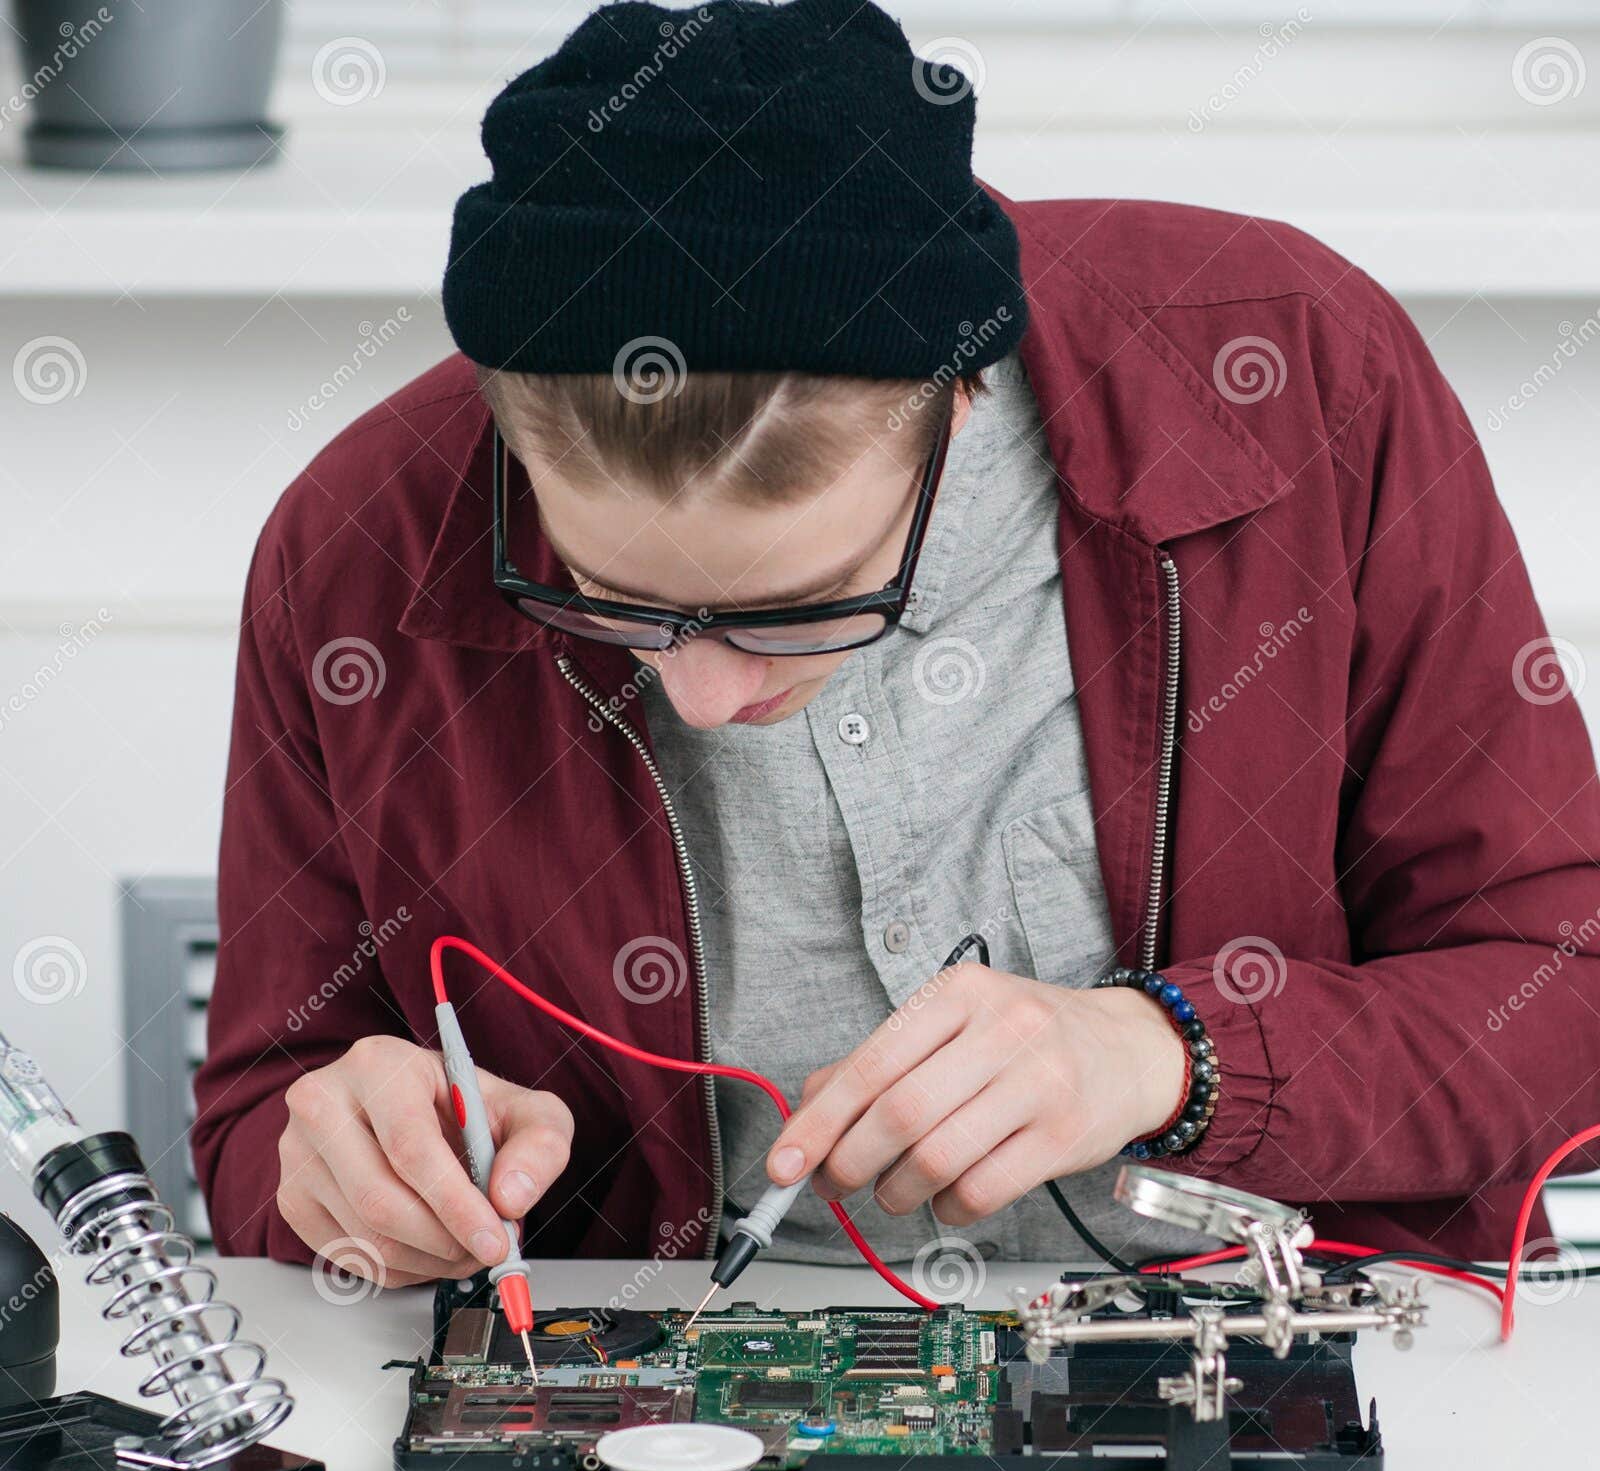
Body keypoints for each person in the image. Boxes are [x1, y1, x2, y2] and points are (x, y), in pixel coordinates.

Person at [193, 0, 1600, 1287]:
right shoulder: (354, 551)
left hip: (1266, 1370)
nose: (700, 689)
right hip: (664, 1421)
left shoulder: (1291, 378)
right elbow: (264, 1119)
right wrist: (337, 1171)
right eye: (608, 597)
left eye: (799, 606)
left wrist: (1175, 1055)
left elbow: (1566, 997)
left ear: (960, 404)